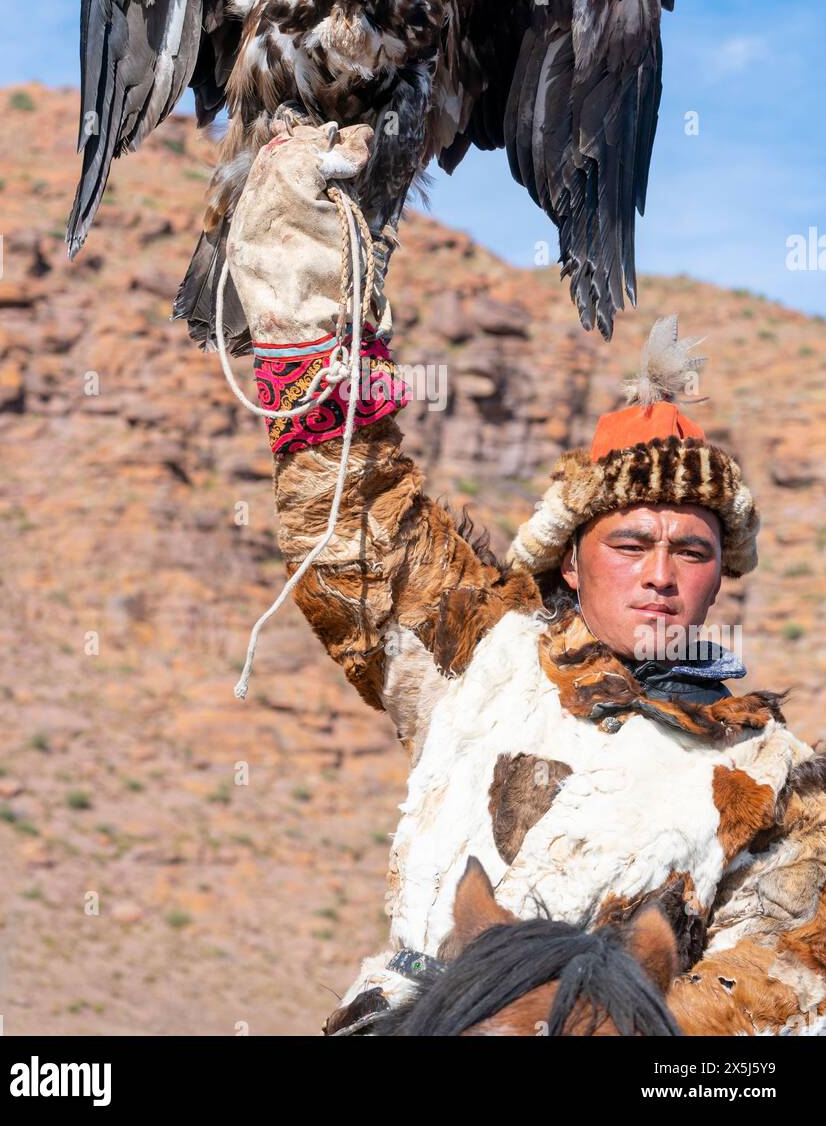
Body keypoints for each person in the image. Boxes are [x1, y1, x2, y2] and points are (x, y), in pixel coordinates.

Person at [226, 119, 826, 1036]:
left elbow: (778, 989)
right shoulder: (483, 653)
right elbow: (353, 514)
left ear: (720, 579)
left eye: (692, 551)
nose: (661, 575)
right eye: (630, 544)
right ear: (571, 558)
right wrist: (305, 254)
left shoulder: (777, 783)